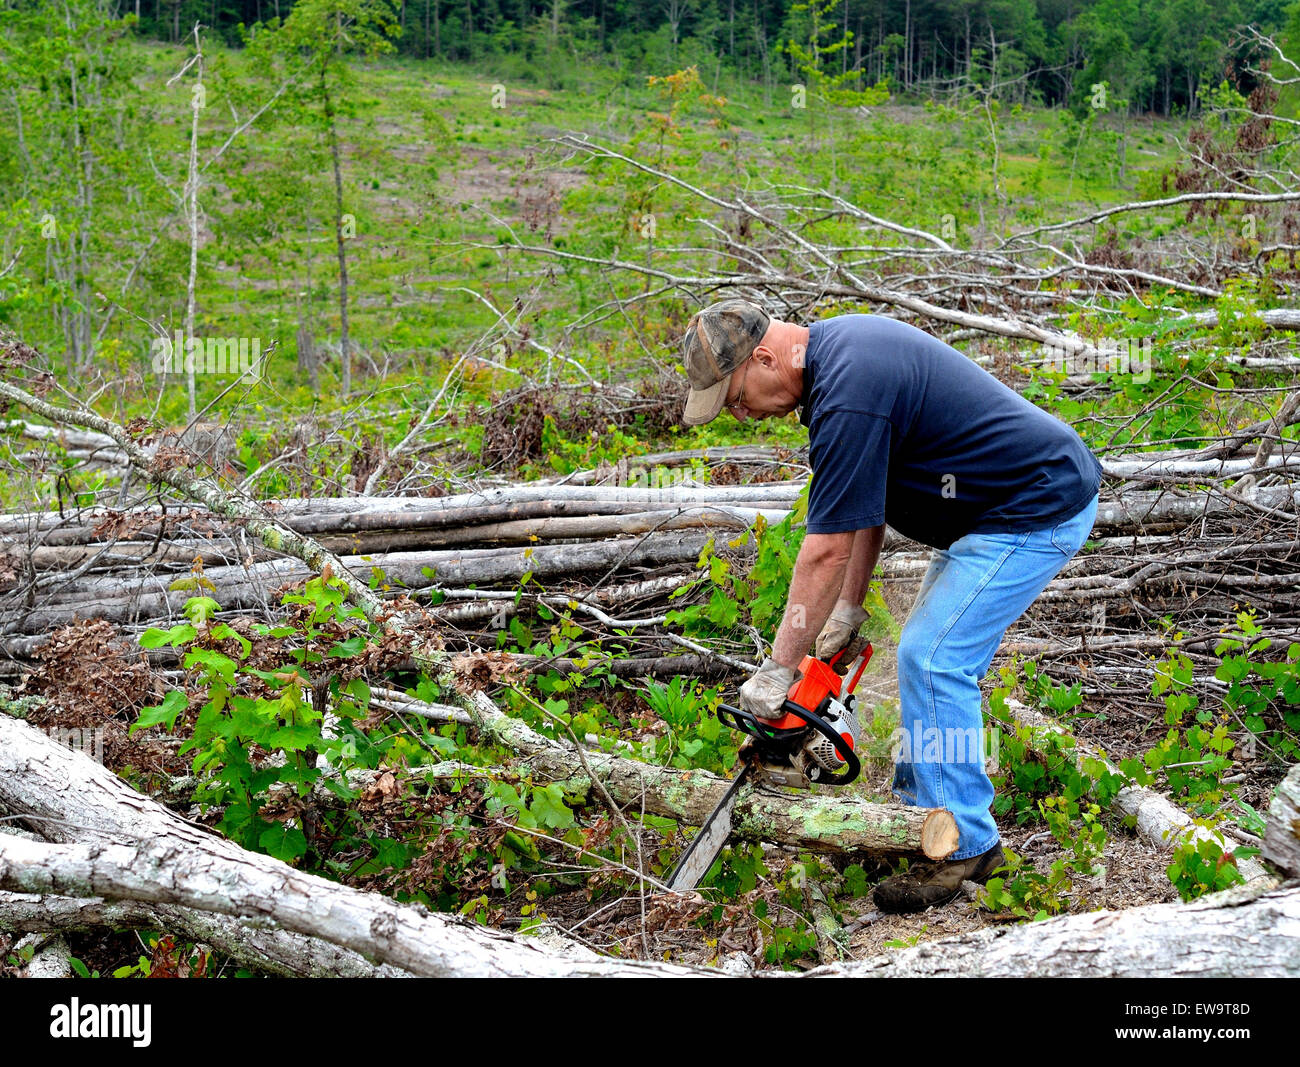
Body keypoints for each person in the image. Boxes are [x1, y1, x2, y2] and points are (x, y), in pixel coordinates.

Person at [680, 298, 1103, 913]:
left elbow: (822, 550)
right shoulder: (837, 368)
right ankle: (919, 820)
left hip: (1034, 508)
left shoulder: (848, 387)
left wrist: (780, 669)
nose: (742, 414)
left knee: (933, 658)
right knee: (925, 658)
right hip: (989, 519)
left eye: (738, 396)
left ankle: (966, 847)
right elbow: (860, 511)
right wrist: (847, 610)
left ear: (765, 357)